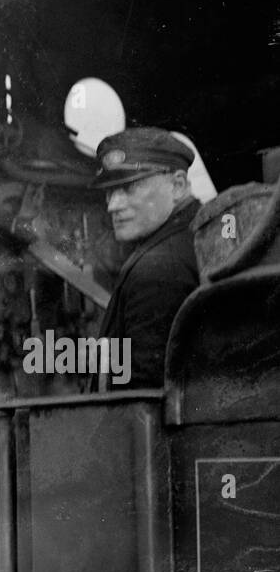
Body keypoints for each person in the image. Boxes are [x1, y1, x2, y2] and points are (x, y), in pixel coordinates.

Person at [91, 127, 201, 388]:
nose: (112, 205)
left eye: (130, 187)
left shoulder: (158, 270)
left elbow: (141, 397)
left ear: (177, 185)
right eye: (110, 190)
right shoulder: (195, 236)